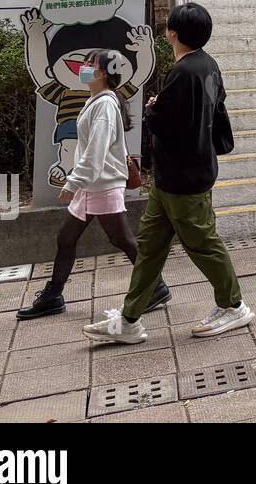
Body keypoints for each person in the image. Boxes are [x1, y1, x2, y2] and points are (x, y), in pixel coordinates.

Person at [84, 3, 253, 345]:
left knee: (202, 243)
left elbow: (171, 124)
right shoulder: (207, 65)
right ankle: (130, 319)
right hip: (173, 178)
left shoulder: (184, 72)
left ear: (172, 34)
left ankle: (233, 304)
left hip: (184, 178)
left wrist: (152, 110)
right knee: (149, 246)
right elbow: (212, 106)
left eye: (167, 28)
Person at [18, 50, 170, 320]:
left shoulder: (104, 105)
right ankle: (53, 295)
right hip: (94, 184)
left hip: (102, 184)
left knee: (121, 239)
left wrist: (73, 182)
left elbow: (96, 151)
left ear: (103, 73)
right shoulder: (98, 101)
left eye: (90, 64)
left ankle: (156, 285)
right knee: (67, 238)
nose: (84, 67)